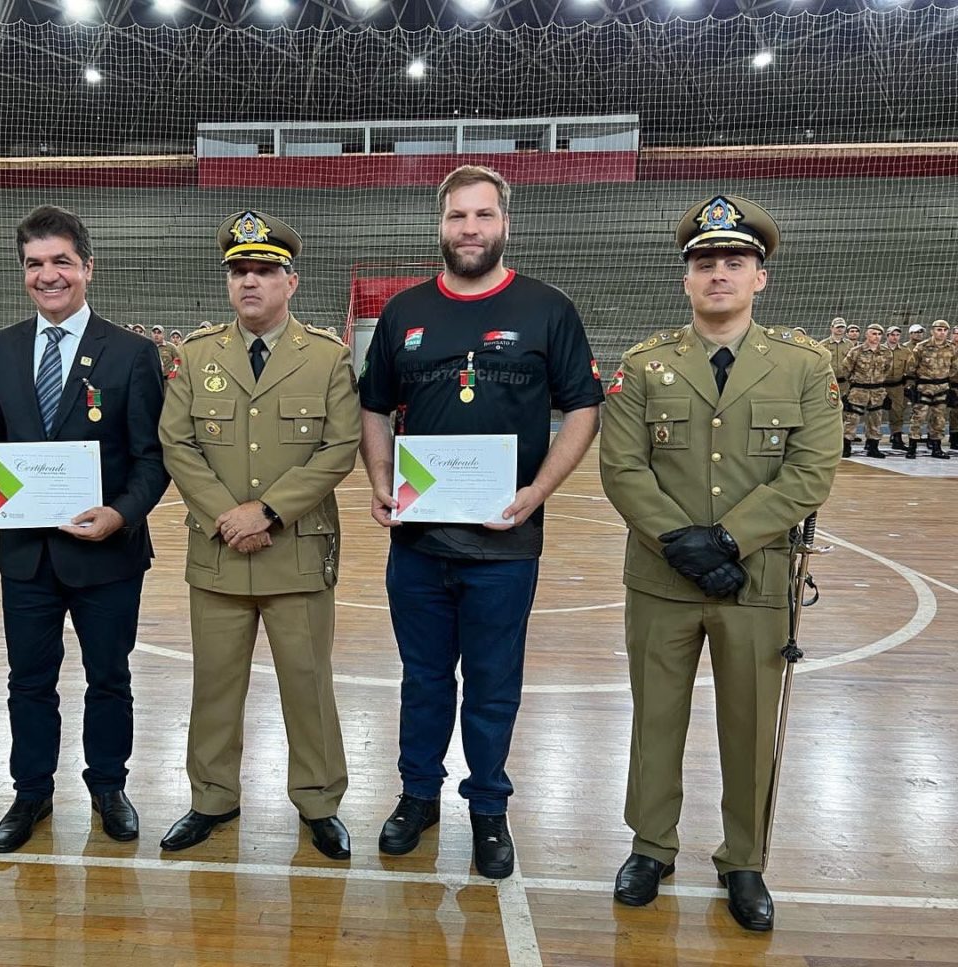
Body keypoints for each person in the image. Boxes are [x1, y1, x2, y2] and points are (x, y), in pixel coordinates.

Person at [599, 193, 841, 932]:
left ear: (759, 277)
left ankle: (744, 858)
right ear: (686, 277)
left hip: (758, 579)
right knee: (656, 717)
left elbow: (811, 470)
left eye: (734, 261)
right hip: (663, 576)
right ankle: (651, 844)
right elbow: (623, 467)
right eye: (705, 261)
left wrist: (729, 541)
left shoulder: (803, 366)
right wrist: (684, 541)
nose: (719, 273)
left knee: (748, 723)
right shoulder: (645, 365)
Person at [358, 165, 603, 879]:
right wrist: (379, 480)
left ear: (504, 224)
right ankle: (416, 795)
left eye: (483, 216)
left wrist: (538, 490)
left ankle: (489, 808)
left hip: (506, 539)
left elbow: (583, 406)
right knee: (424, 677)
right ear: (441, 225)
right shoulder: (404, 311)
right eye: (458, 216)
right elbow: (373, 405)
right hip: (419, 538)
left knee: (495, 680)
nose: (470, 228)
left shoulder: (547, 309)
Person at [0, 205, 167, 853]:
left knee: (110, 676)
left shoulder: (133, 353)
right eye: (34, 264)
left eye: (60, 262)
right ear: (22, 270)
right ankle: (31, 791)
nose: (48, 275)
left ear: (87, 267)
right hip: (25, 553)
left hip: (107, 552)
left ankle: (109, 783)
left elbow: (153, 457)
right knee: (29, 680)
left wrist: (121, 513)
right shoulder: (0, 345)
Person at [158, 210, 361, 860]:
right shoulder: (196, 354)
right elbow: (177, 442)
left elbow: (340, 448)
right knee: (215, 685)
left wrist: (266, 512)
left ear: (290, 281)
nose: (250, 281)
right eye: (239, 271)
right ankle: (211, 796)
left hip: (295, 550)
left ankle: (320, 800)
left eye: (264, 270)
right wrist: (227, 513)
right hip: (218, 550)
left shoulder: (326, 358)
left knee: (308, 683)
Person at [904, 319, 955, 460]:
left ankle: (936, 447)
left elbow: (954, 367)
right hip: (924, 387)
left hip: (942, 387)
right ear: (932, 331)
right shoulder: (921, 347)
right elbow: (911, 367)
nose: (942, 333)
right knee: (918, 418)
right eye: (939, 330)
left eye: (945, 330)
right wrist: (911, 385)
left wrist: (947, 382)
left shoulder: (951, 348)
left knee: (939, 419)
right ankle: (912, 447)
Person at [839, 323, 891, 458]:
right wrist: (855, 381)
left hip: (877, 391)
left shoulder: (886, 352)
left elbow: (887, 370)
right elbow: (846, 369)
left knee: (875, 419)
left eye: (879, 334)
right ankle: (846, 446)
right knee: (852, 419)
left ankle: (873, 447)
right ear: (867, 334)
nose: (877, 337)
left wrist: (877, 381)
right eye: (874, 333)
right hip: (859, 390)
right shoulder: (856, 351)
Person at [883, 326, 911, 450]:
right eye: (892, 335)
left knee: (897, 412)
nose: (895, 337)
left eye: (897, 335)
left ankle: (897, 436)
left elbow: (910, 367)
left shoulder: (905, 351)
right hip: (880, 385)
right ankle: (871, 440)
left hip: (897, 386)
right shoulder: (880, 350)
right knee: (875, 411)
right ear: (887, 336)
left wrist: (907, 383)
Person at [819, 318, 851, 404]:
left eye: (842, 327)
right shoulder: (823, 344)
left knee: (845, 408)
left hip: (845, 383)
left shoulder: (849, 344)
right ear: (831, 328)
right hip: (829, 383)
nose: (840, 329)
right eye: (837, 327)